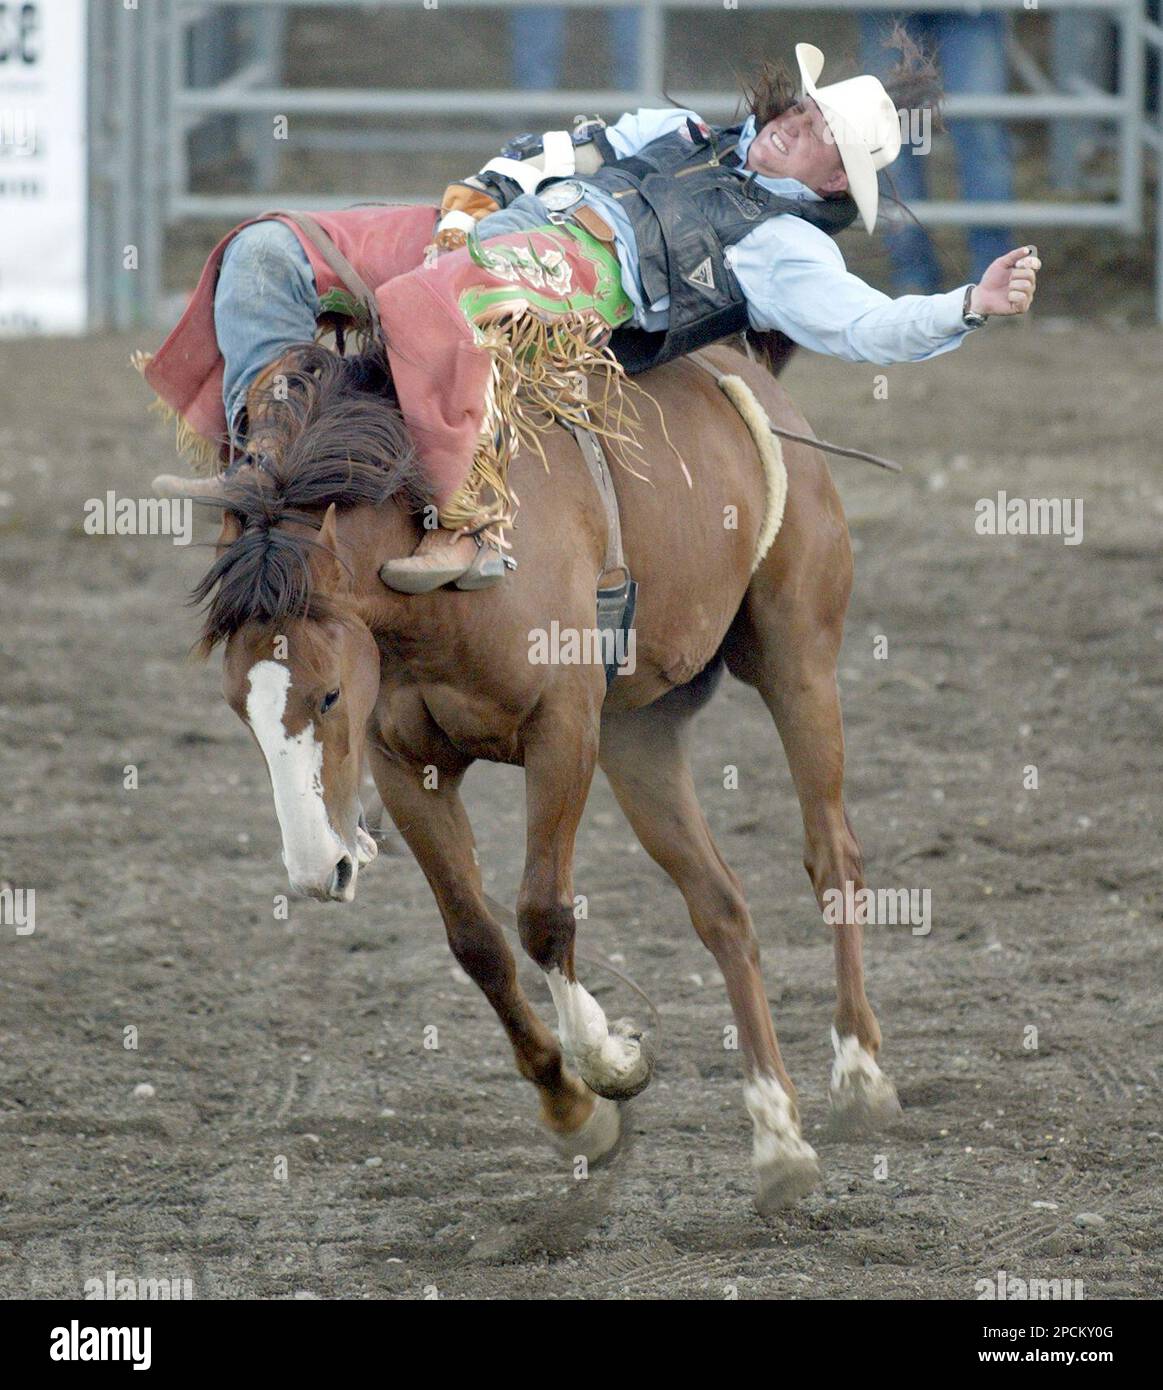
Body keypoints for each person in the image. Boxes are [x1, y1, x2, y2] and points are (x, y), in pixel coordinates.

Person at [142, 38, 1039, 595]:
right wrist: (478, 197)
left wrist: (967, 303)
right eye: (804, 109)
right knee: (267, 246)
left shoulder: (786, 248)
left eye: (818, 134)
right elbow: (559, 148)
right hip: (502, 230)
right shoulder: (678, 131)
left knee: (422, 302)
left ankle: (468, 520)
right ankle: (264, 452)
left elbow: (864, 326)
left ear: (836, 181)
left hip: (584, 281)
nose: (794, 123)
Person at [858, 11, 1015, 293]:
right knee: (890, 128)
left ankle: (994, 276)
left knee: (980, 125)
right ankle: (912, 276)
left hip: (972, 9)